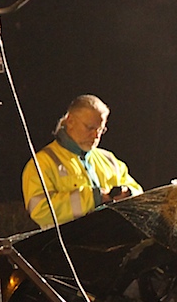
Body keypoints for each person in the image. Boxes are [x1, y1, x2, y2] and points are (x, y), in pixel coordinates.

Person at [21, 94, 142, 229]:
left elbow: (140, 195)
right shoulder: (43, 163)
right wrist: (94, 198)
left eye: (101, 130)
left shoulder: (109, 159)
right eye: (90, 128)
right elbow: (39, 210)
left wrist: (128, 193)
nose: (96, 135)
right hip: (68, 247)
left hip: (112, 243)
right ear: (70, 121)